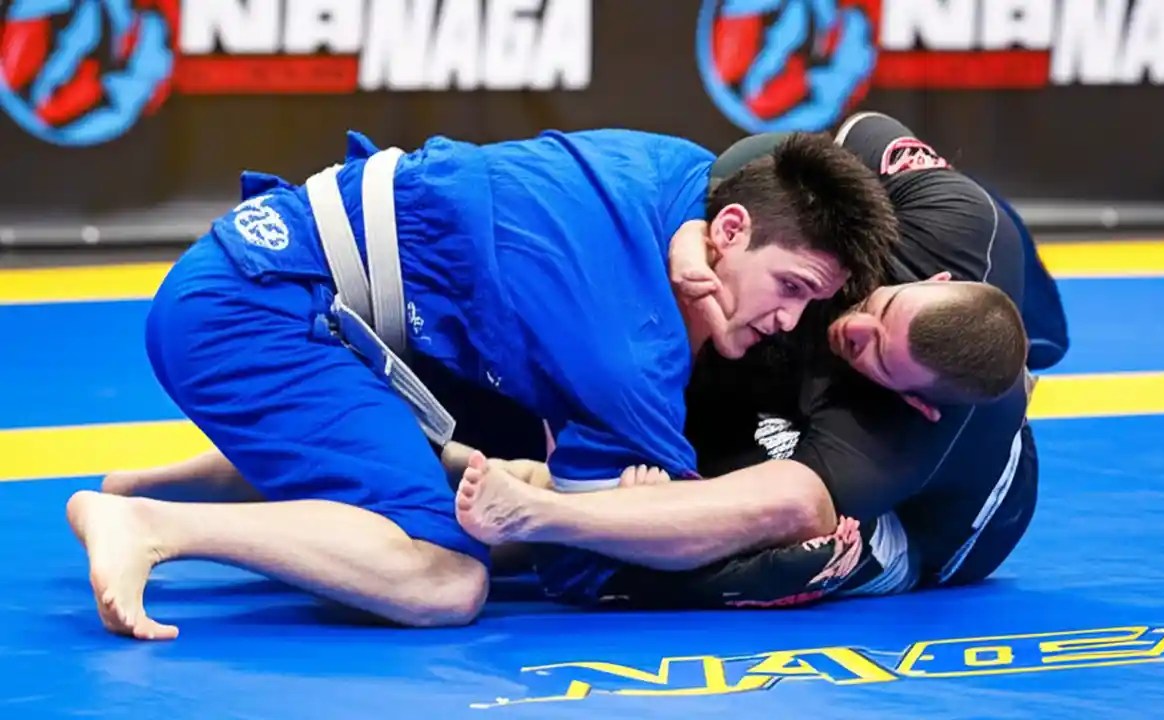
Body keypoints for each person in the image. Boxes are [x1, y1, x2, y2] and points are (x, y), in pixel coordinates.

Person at [65, 127, 899, 640]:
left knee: (494, 447)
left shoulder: (674, 173)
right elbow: (580, 565)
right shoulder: (629, 351)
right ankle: (148, 521)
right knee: (446, 579)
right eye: (789, 286)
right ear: (729, 231)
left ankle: (157, 484)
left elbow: (703, 195)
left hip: (278, 275)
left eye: (810, 302)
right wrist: (665, 518)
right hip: (259, 316)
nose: (789, 322)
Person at [451, 111, 1065, 608]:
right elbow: (809, 153)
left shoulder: (887, 439)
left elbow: (789, 504)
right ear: (932, 279)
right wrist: (693, 236)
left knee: (795, 546)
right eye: (882, 309)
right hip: (814, 375)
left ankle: (543, 512)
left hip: (929, 530)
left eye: (875, 353)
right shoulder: (961, 222)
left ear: (912, 399)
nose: (853, 327)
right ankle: (1038, 340)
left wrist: (564, 516)